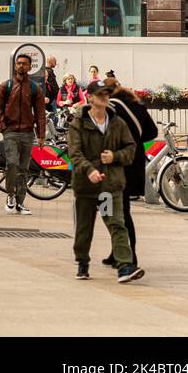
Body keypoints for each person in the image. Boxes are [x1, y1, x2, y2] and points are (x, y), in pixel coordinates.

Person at [67, 80, 144, 283]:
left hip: (108, 187)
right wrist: (88, 169)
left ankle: (125, 267)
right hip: (86, 186)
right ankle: (82, 262)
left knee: (116, 223)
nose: (104, 97)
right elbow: (74, 153)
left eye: (107, 94)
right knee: (85, 227)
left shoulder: (118, 123)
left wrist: (115, 156)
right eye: (100, 94)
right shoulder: (78, 124)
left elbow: (130, 148)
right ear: (90, 98)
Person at [102, 73, 157, 271]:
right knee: (120, 209)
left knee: (115, 210)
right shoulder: (137, 104)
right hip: (135, 161)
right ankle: (118, 251)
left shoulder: (111, 108)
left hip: (116, 163)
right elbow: (152, 133)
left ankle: (130, 256)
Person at [0, 52, 45, 215]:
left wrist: (41, 134)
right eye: (19, 63)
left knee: (24, 169)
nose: (21, 66)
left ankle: (20, 202)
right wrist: (3, 127)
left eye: (24, 63)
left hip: (28, 133)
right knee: (12, 164)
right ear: (15, 66)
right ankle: (10, 195)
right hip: (11, 133)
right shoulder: (6, 86)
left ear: (30, 67)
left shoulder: (35, 88)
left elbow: (40, 112)